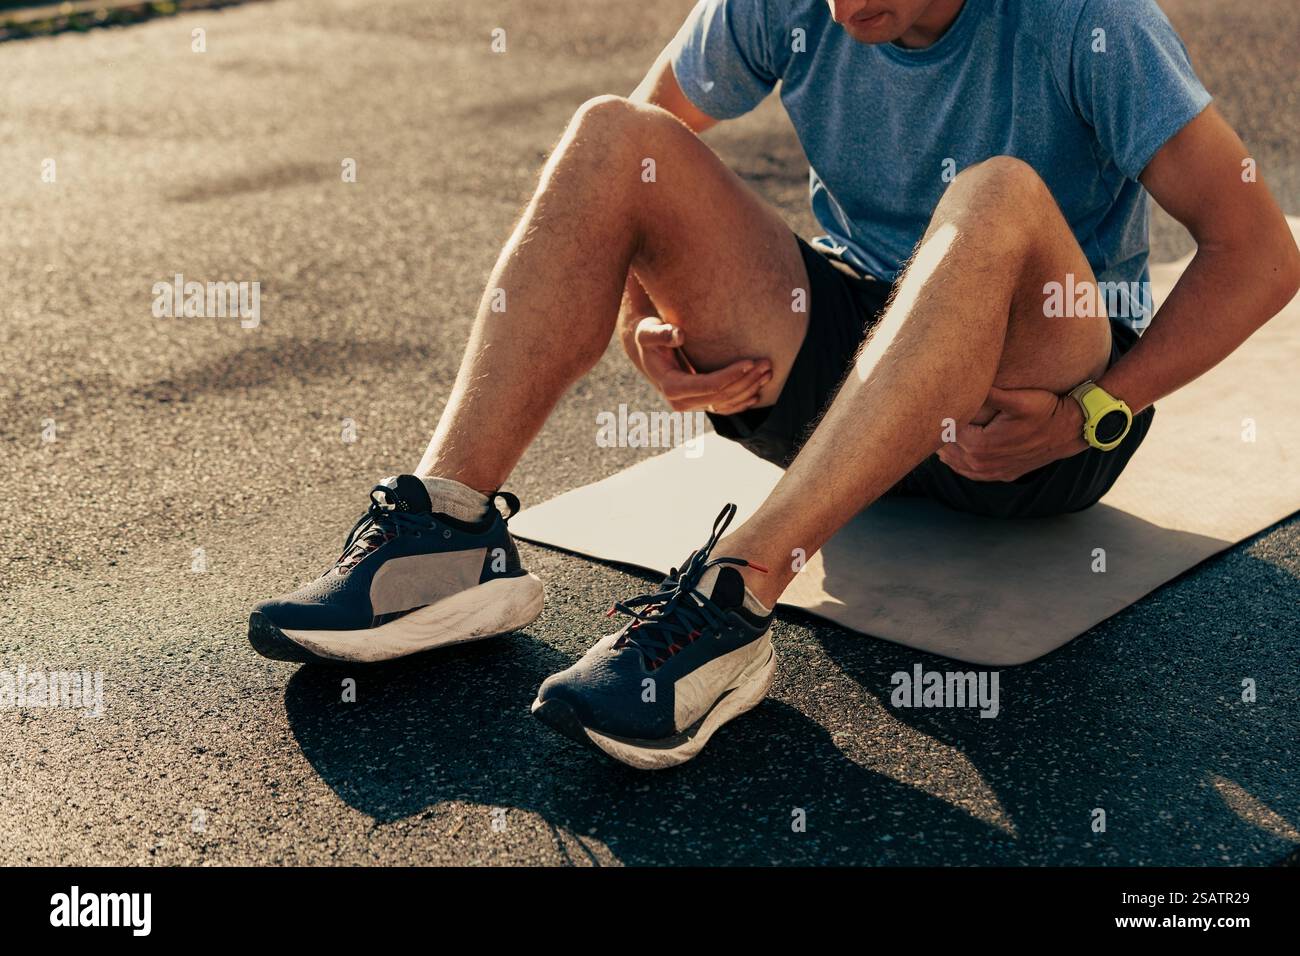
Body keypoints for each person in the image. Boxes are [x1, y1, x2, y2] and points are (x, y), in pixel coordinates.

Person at [248, 0, 1300, 769]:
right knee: (614, 135)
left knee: (998, 197)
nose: (840, 8)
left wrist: (1097, 411)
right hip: (844, 366)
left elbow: (1257, 250)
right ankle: (450, 526)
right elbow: (648, 142)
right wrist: (639, 318)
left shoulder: (1088, 22)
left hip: (1027, 415)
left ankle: (734, 598)